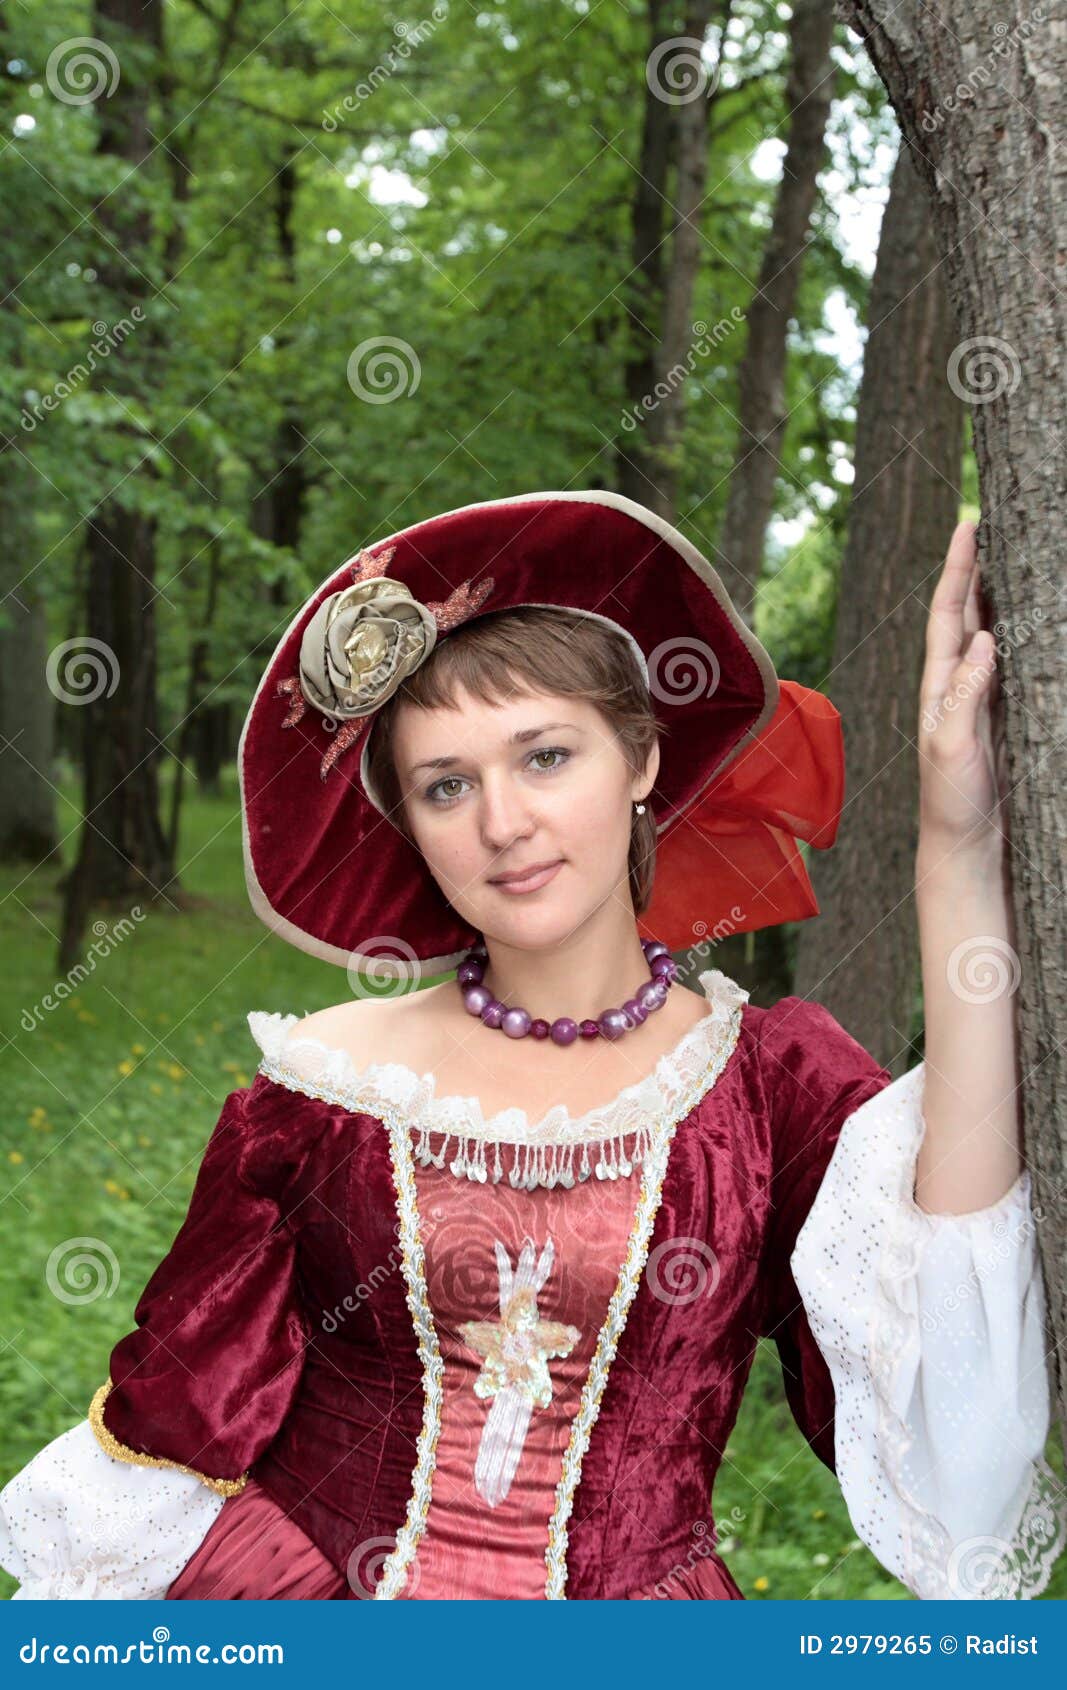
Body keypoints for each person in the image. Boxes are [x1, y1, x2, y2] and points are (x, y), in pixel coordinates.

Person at [0, 491, 1062, 1601]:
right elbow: (177, 1424)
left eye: (546, 756)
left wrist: (957, 840)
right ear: (409, 823)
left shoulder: (763, 1089)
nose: (501, 823)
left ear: (640, 757)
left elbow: (953, 1331)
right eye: (445, 785)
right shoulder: (323, 1087)